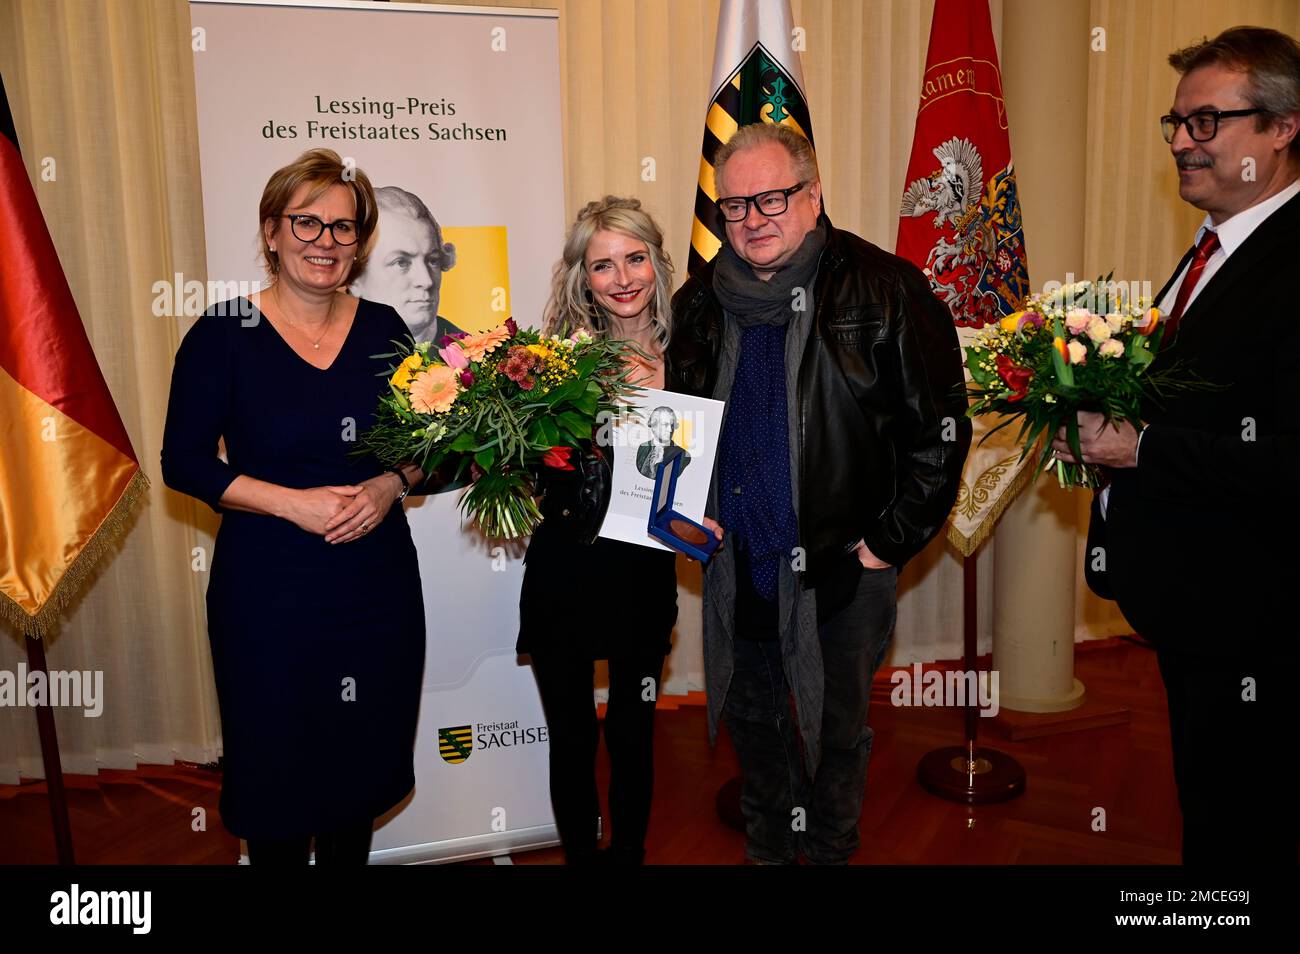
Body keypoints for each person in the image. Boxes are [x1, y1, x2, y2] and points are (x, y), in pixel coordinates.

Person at [665, 122, 970, 864]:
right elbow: (682, 421)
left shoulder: (885, 287)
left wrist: (883, 546)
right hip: (738, 567)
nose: (752, 219)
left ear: (814, 192)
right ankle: (770, 850)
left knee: (836, 738)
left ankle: (830, 850)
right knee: (758, 730)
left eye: (771, 197)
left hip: (842, 573)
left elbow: (941, 433)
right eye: (734, 206)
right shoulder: (700, 300)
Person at [1057, 26, 1299, 865]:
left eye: (1207, 123)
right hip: (1199, 610)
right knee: (1212, 807)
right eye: (1175, 124)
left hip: (1258, 622)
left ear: (1282, 126)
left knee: (1244, 824)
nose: (1183, 145)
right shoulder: (1211, 250)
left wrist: (1139, 450)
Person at [162, 148, 432, 865]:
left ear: (360, 243)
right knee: (277, 786)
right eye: (306, 223)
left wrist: (389, 485)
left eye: (344, 229)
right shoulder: (222, 336)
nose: (325, 241)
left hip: (375, 589)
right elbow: (181, 462)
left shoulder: (384, 332)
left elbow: (421, 447)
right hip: (267, 594)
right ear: (272, 232)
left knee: (355, 779)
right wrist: (292, 505)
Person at [517, 196, 679, 865]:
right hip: (565, 572)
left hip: (643, 576)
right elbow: (528, 471)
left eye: (634, 258)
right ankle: (583, 859)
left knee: (635, 732)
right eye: (602, 264)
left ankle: (630, 854)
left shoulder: (693, 356)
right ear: (583, 278)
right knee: (574, 737)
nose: (621, 277)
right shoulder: (553, 363)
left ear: (657, 262)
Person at [349, 185, 462, 343]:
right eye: (401, 262)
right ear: (354, 277)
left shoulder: (479, 358)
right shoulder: (324, 355)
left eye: (433, 260)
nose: (426, 281)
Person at [635, 406, 692, 479]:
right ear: (653, 425)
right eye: (665, 425)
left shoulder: (683, 455)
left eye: (672, 425)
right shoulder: (642, 447)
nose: (670, 430)